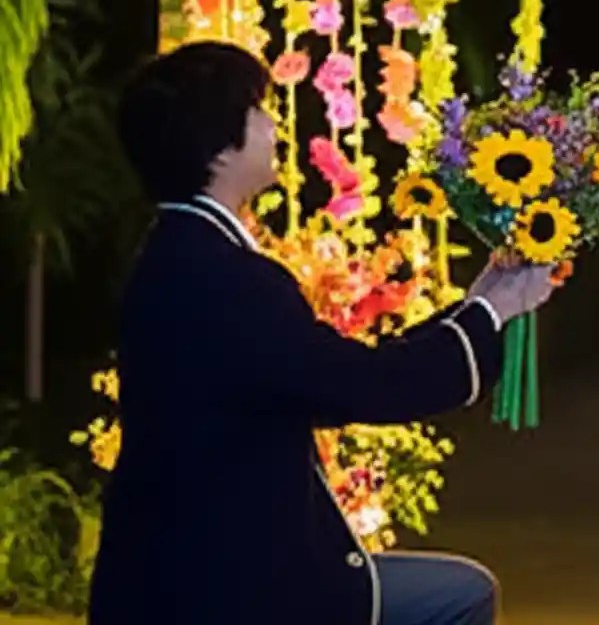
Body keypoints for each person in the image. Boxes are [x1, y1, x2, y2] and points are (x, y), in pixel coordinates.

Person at [87, 41, 557, 625]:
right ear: (218, 149)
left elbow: (335, 372)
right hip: (227, 586)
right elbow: (361, 385)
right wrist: (492, 313)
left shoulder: (180, 255)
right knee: (461, 596)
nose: (273, 124)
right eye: (258, 112)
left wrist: (482, 305)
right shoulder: (228, 278)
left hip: (179, 569)